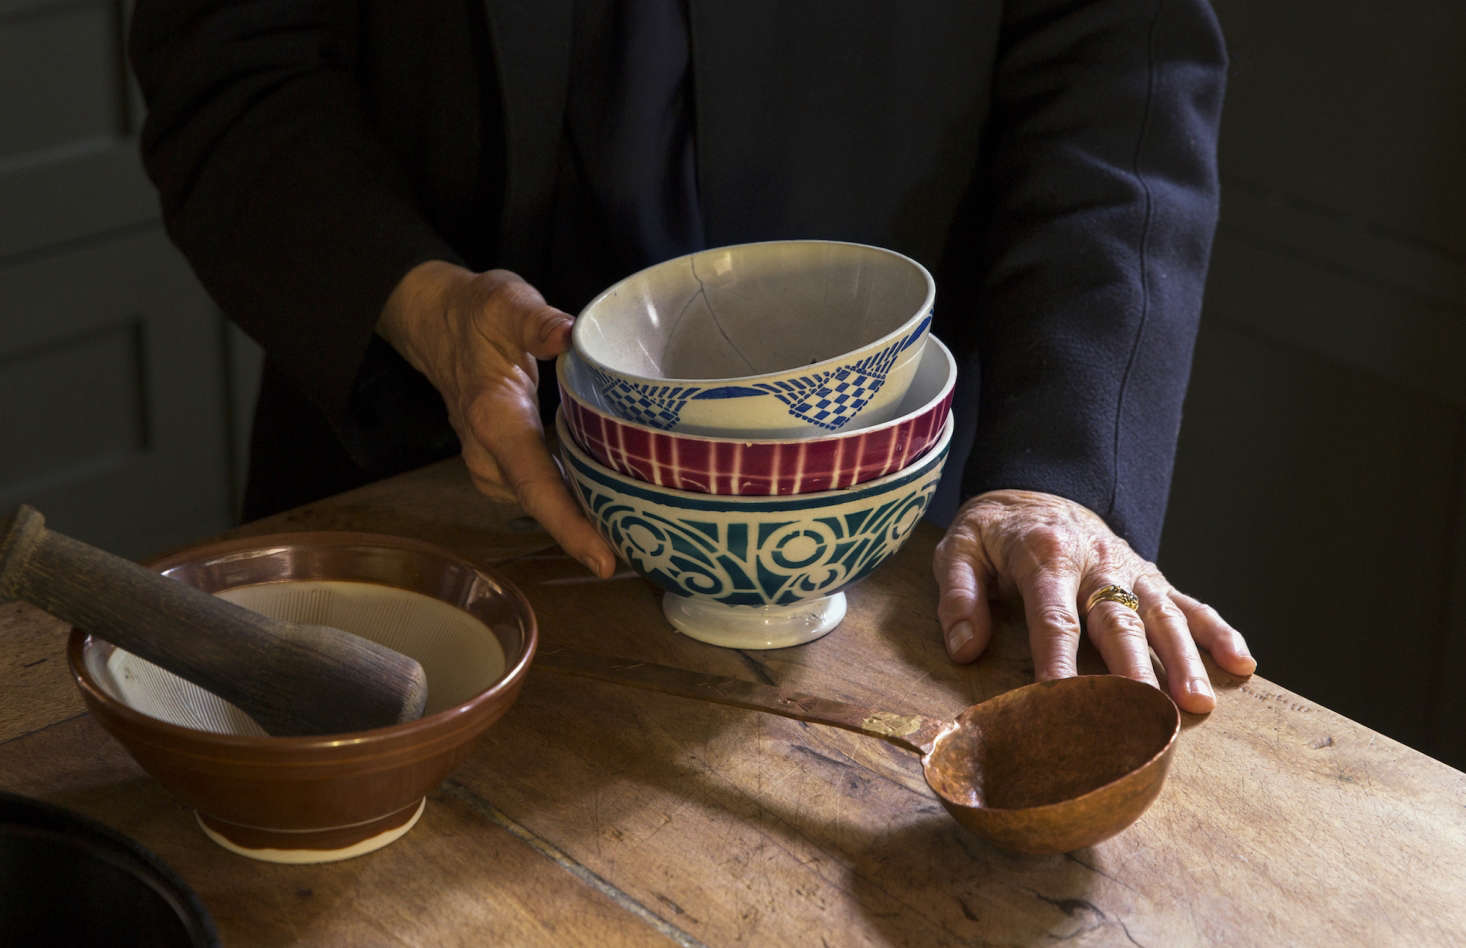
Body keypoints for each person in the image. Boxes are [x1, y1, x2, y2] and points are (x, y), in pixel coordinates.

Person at [129, 0, 1255, 715]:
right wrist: (418, 306)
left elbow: (1122, 84)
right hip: (400, 496)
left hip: (880, 561)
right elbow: (230, 62)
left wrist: (1055, 476)